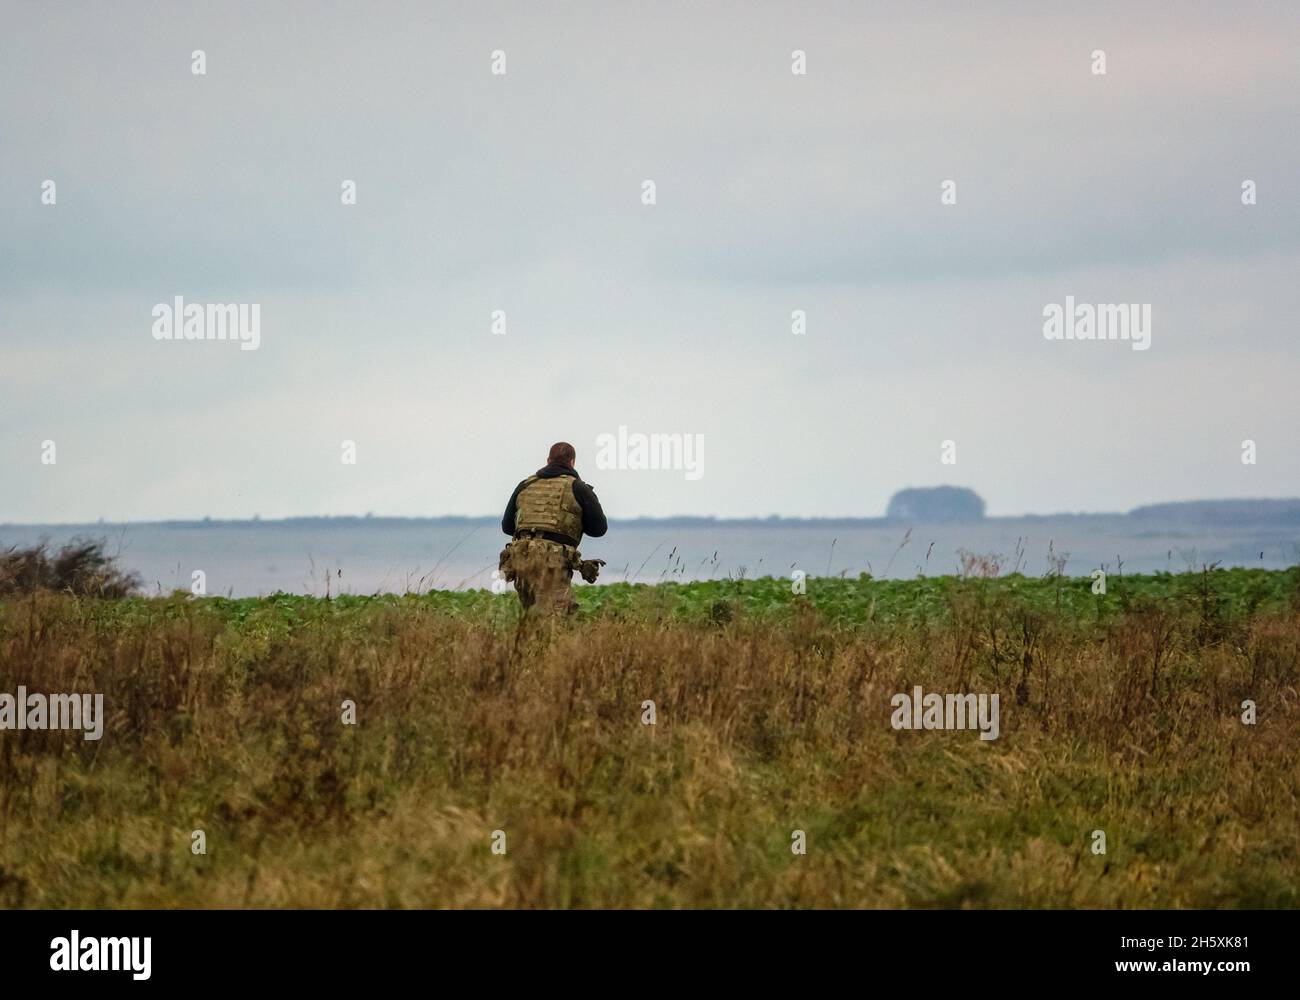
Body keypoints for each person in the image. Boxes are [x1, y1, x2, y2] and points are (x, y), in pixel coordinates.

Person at [500, 442, 607, 613]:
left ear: (548, 460)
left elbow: (507, 527)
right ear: (572, 462)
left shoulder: (525, 485)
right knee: (558, 621)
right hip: (554, 566)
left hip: (522, 562)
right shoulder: (578, 487)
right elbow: (599, 529)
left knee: (532, 617)